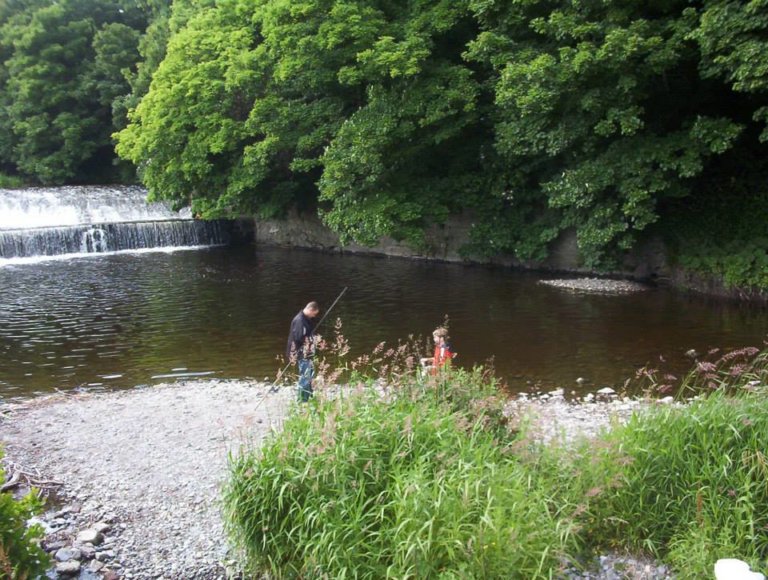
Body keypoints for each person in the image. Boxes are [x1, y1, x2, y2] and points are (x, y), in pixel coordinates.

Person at [286, 301, 320, 401]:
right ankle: (302, 400)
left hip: (307, 352)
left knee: (310, 375)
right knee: (305, 376)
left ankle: (309, 396)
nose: (314, 316)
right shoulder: (299, 320)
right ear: (310, 310)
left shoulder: (306, 319)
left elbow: (307, 333)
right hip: (300, 353)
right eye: (314, 314)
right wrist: (310, 339)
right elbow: (299, 337)